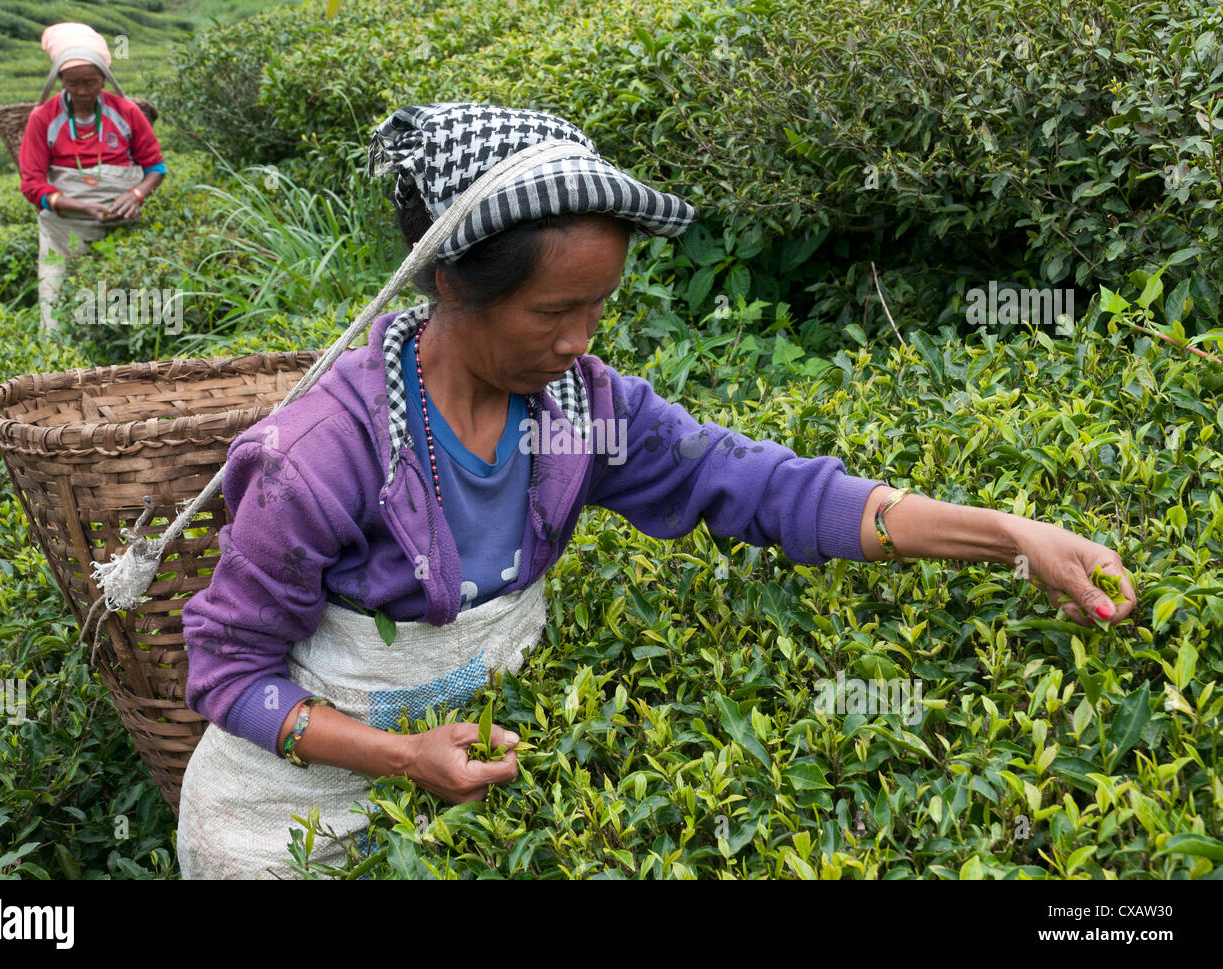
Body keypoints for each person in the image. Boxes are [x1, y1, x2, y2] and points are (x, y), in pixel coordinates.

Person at [175, 102, 1137, 879]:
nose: (582, 341)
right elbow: (227, 674)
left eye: (599, 307)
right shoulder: (321, 455)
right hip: (291, 808)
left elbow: (761, 486)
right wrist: (403, 757)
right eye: (555, 310)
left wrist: (1012, 534)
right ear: (453, 284)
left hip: (468, 761)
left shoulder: (574, 411)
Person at [18, 23, 166, 334]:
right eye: (73, 83)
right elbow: (32, 184)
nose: (83, 91)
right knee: (56, 313)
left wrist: (136, 195)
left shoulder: (126, 112)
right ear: (61, 81)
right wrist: (82, 207)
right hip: (62, 229)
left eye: (91, 82)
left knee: (117, 318)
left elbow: (155, 168)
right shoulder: (43, 118)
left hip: (120, 228)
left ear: (104, 78)